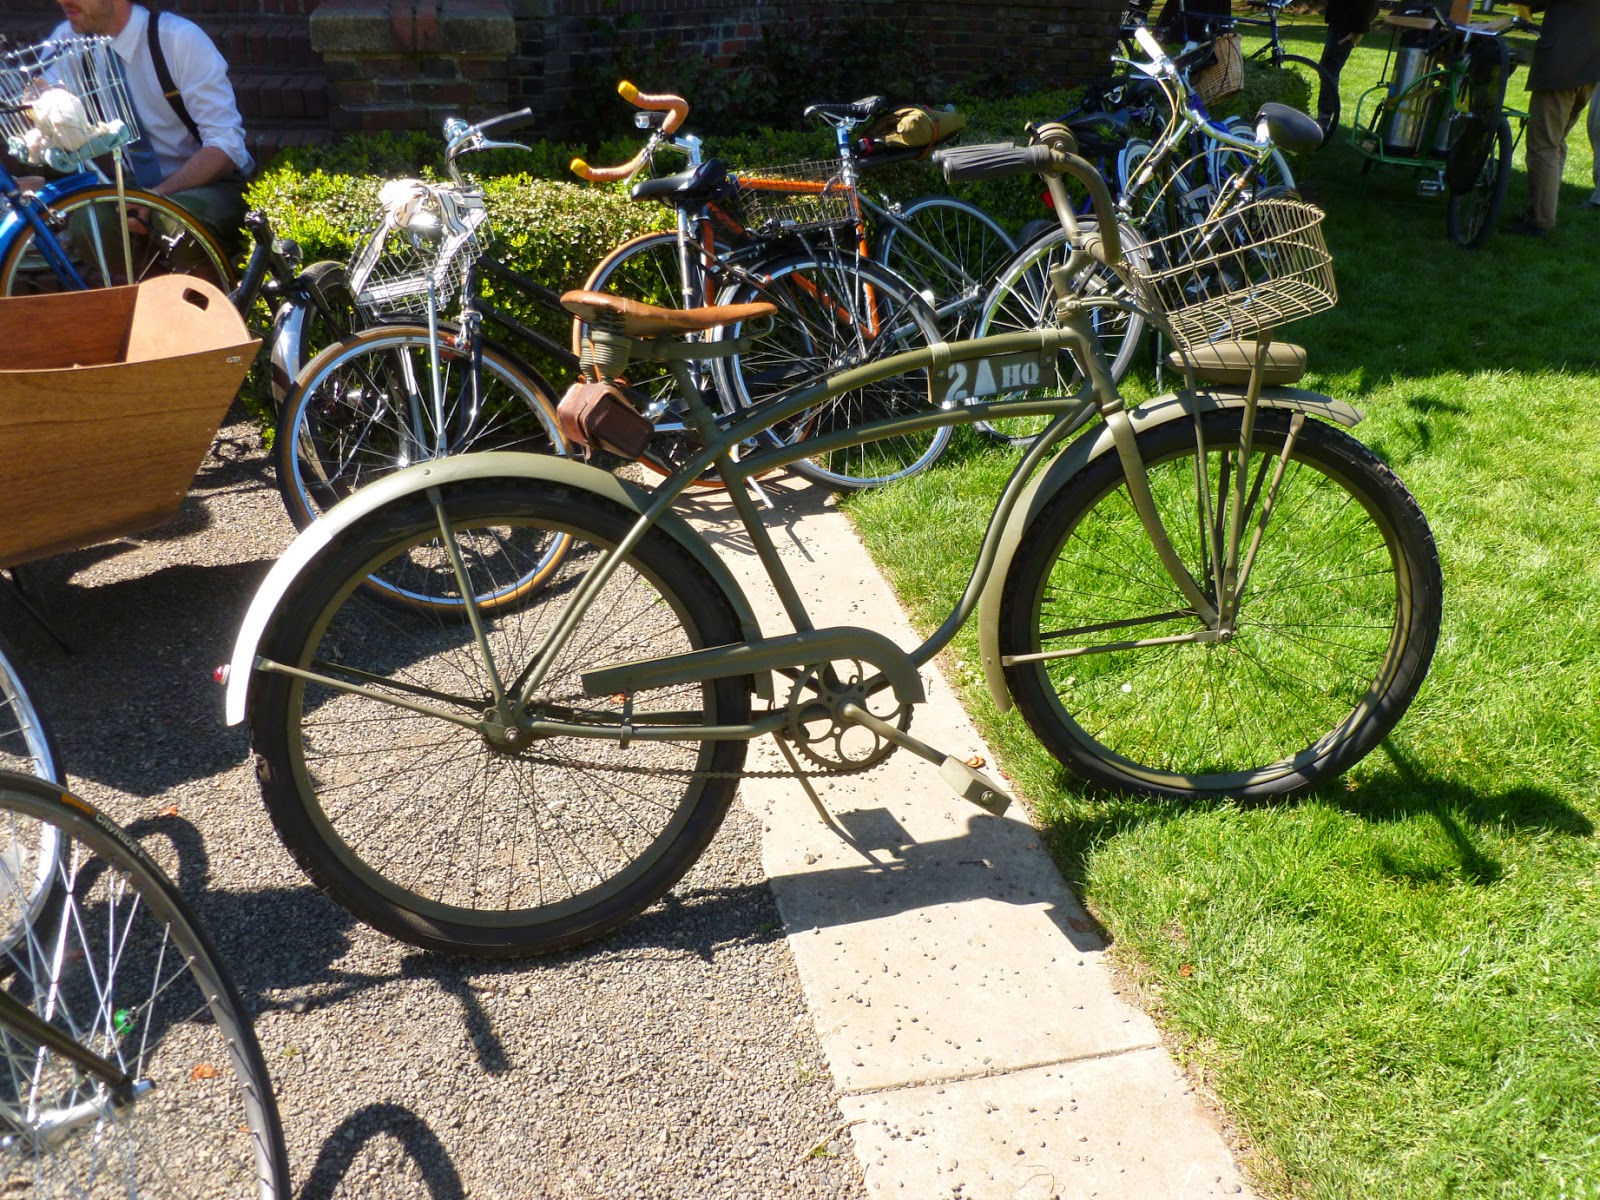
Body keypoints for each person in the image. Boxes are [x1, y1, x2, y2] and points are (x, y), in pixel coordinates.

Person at [44, 0, 253, 244]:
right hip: (138, 184)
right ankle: (133, 282)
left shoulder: (178, 39)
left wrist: (156, 197)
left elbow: (226, 146)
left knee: (178, 224)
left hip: (211, 183)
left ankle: (202, 283)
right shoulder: (69, 40)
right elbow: (40, 100)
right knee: (89, 227)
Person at [1507, 0, 1600, 236]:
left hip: (1562, 64)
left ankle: (1539, 220)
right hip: (1589, 67)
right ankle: (1538, 210)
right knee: (1555, 143)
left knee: (1543, 145)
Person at [1318, 0, 1380, 135]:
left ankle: (1324, 121)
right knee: (1327, 68)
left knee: (1329, 70)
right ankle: (1324, 119)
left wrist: (1358, 31)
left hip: (1348, 23)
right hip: (1342, 20)